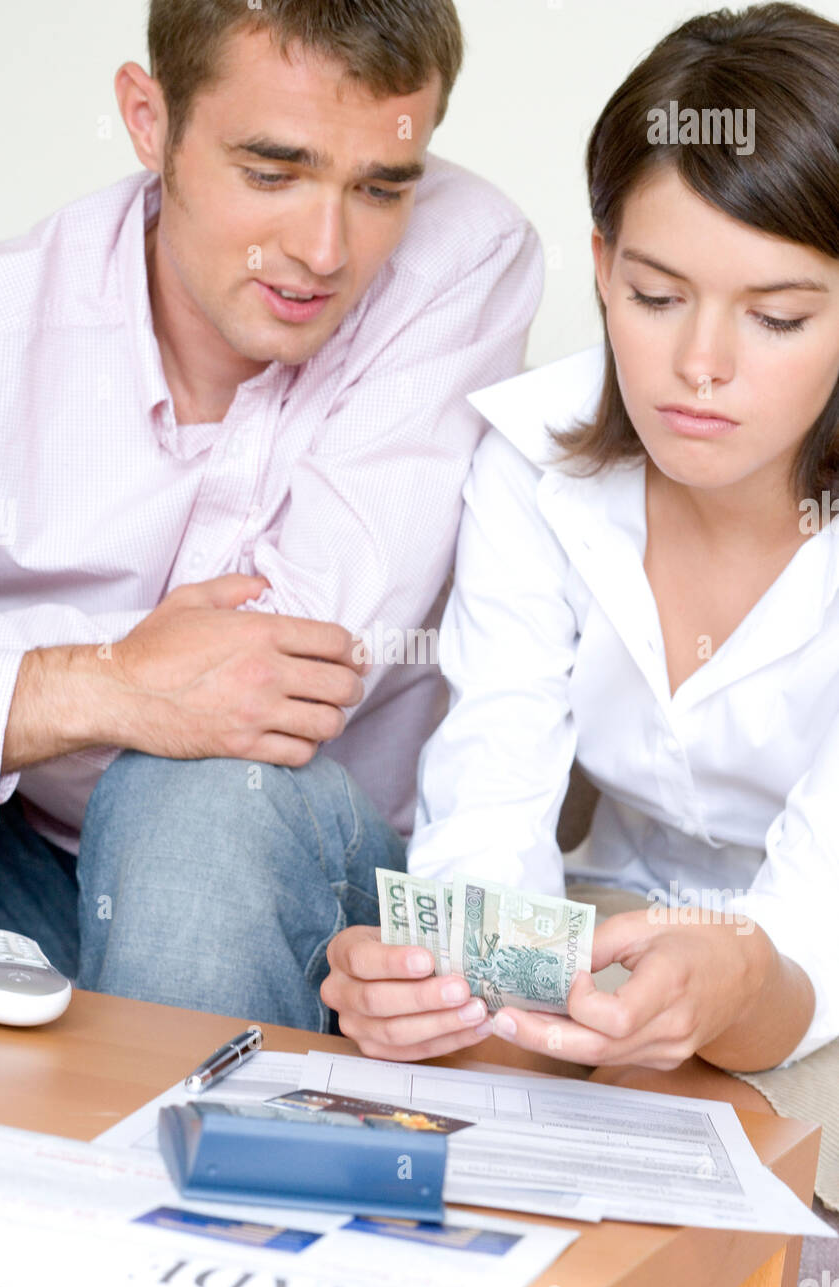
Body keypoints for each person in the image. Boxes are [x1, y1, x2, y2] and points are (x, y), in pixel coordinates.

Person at [322, 2, 839, 1214]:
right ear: (601, 265)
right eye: (655, 296)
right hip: (611, 928)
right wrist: (450, 975)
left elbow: (817, 923)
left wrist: (730, 986)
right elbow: (491, 791)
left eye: (775, 318)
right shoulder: (532, 461)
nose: (699, 364)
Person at [0, 0, 542, 1028]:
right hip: (15, 862)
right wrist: (108, 685)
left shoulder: (463, 252)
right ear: (148, 121)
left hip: (288, 870)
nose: (323, 250)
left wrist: (21, 690)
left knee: (199, 785)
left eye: (378, 187)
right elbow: (182, 684)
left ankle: (171, 1187)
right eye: (272, 172)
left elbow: (271, 676)